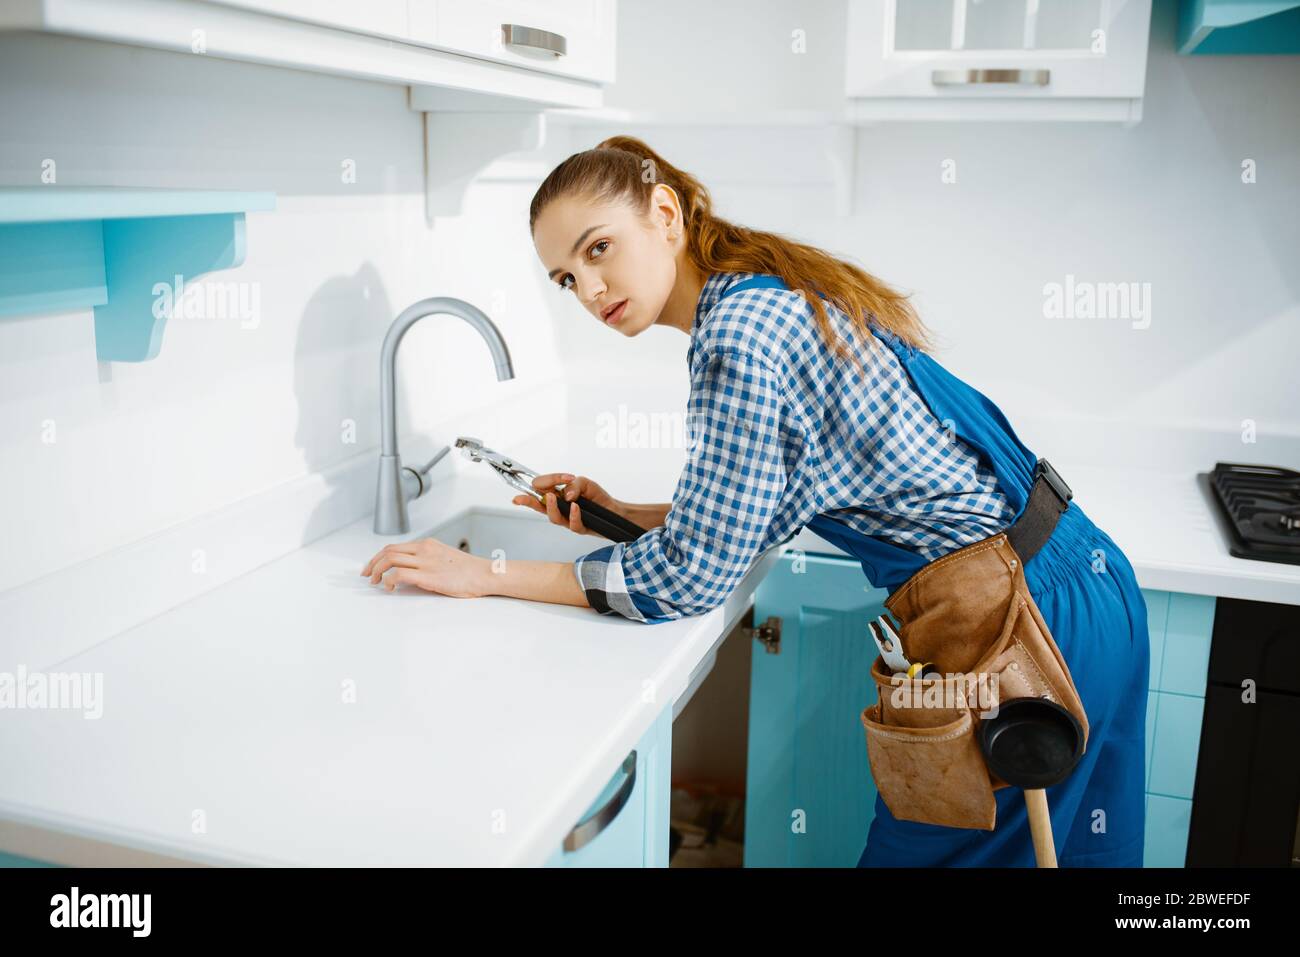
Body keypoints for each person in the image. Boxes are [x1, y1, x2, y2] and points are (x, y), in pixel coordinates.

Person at [360, 135, 1150, 867]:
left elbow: (684, 582)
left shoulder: (738, 330)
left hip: (1018, 628)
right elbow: (764, 496)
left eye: (599, 249)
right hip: (1085, 583)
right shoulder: (768, 292)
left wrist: (486, 574)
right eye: (567, 279)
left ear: (663, 214)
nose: (590, 288)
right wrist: (632, 513)